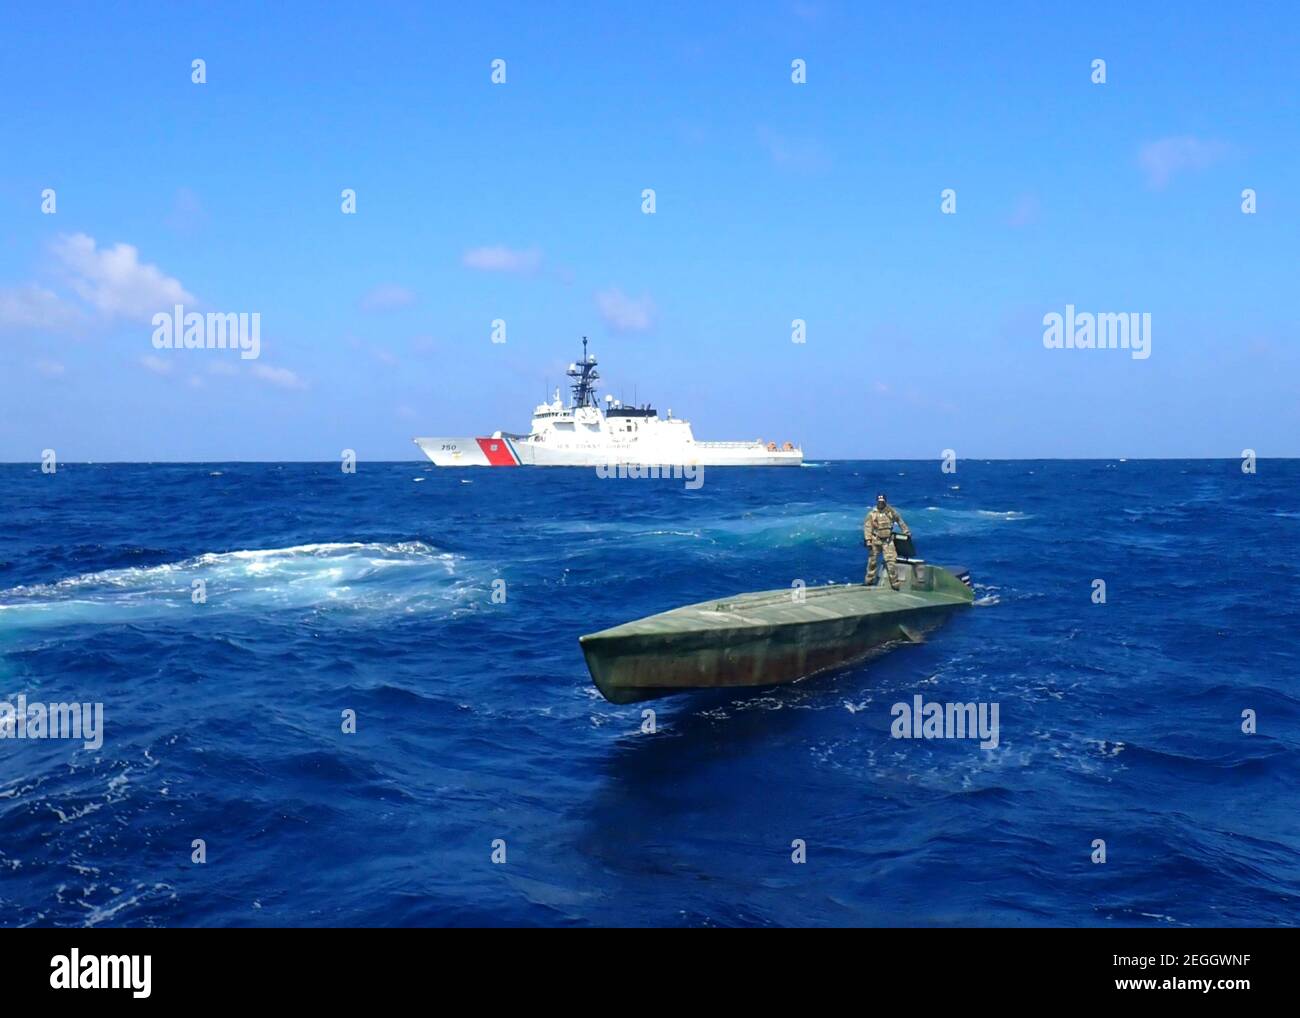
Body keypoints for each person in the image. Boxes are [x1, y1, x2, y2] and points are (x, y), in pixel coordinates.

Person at [863, 493, 910, 590]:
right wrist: (868, 540)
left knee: (891, 562)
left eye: (882, 502)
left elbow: (900, 521)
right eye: (879, 502)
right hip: (876, 540)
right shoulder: (872, 514)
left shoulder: (891, 512)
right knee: (872, 562)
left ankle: (895, 583)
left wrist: (906, 531)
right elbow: (868, 527)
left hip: (887, 541)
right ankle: (869, 581)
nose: (881, 503)